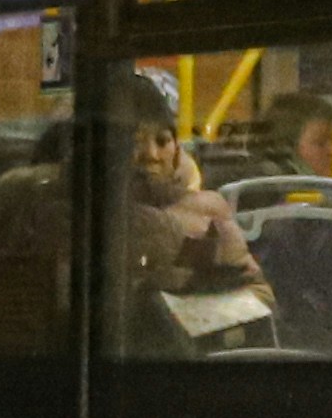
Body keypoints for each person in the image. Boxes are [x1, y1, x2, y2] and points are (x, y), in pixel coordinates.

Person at [116, 75, 270, 349]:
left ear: (176, 148)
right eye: (135, 142)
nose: (151, 154)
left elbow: (259, 292)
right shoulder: (85, 209)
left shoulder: (207, 210)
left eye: (162, 140)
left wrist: (199, 313)